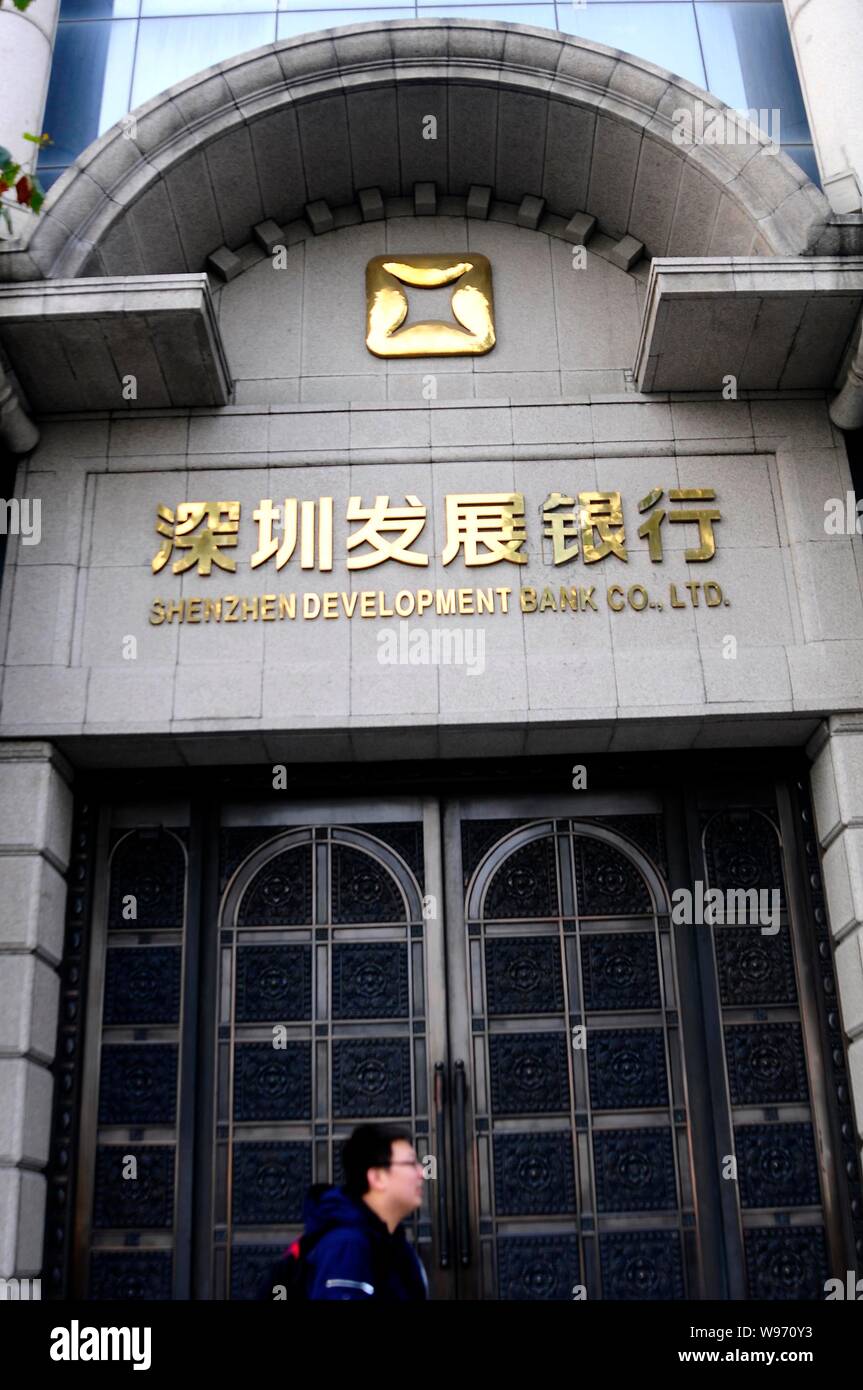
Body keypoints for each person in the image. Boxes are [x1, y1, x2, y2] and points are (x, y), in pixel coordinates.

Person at [301, 1123, 430, 1301]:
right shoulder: (346, 1246)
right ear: (377, 1177)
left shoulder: (391, 1242)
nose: (422, 1172)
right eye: (410, 1163)